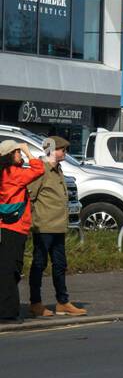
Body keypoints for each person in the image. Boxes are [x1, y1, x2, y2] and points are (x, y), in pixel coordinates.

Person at [27, 136, 86, 317]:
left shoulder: (57, 169)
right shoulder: (41, 170)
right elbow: (31, 195)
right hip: (44, 226)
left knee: (60, 265)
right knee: (39, 263)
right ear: (51, 150)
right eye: (62, 149)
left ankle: (63, 302)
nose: (65, 152)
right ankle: (35, 302)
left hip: (59, 226)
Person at [0, 140, 46, 322]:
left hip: (5, 226)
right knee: (11, 269)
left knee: (6, 267)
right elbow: (38, 169)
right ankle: (8, 312)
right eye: (17, 152)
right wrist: (29, 151)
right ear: (10, 155)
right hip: (14, 227)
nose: (20, 154)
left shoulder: (4, 173)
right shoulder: (14, 174)